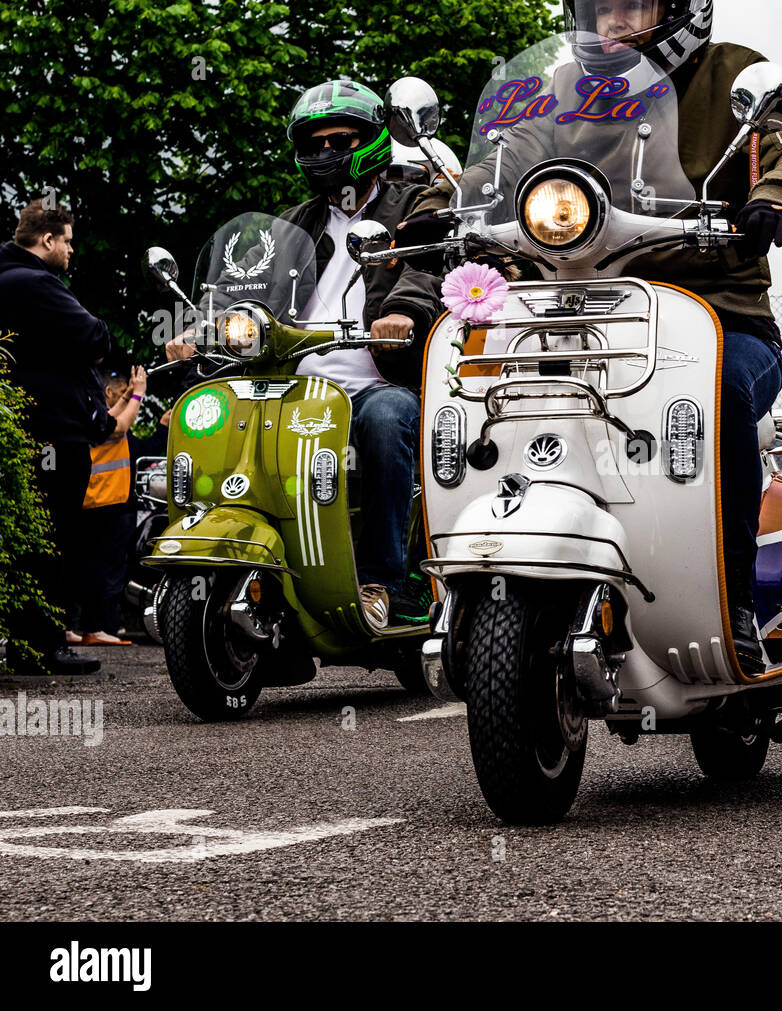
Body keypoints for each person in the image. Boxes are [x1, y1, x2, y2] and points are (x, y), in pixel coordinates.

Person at [427, 1, 782, 671]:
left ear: (681, 9)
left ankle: (731, 600)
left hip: (715, 313)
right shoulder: (563, 89)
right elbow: (504, 162)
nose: (614, 20)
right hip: (570, 313)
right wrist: (448, 206)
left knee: (722, 394)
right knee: (473, 393)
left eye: (633, 4)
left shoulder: (738, 73)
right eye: (601, 7)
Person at [166, 79, 447, 628]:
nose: (326, 154)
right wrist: (200, 329)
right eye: (314, 144)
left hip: (376, 381)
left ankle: (387, 585)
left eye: (339, 140)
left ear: (370, 140)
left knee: (390, 420)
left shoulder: (415, 201)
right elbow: (240, 288)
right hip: (295, 384)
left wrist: (405, 315)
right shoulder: (294, 223)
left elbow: (425, 266)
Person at [0, 199, 119, 674]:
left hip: (22, 429)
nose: (71, 251)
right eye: (67, 241)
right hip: (53, 432)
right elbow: (96, 338)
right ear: (47, 240)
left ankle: (31, 644)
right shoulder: (34, 282)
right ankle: (43, 647)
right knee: (54, 541)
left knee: (30, 541)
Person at [78, 366, 168, 646]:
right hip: (105, 500)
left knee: (104, 567)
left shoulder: (96, 416)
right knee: (104, 570)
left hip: (109, 500)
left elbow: (130, 440)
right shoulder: (95, 418)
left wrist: (130, 395)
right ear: (105, 392)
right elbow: (119, 427)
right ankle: (99, 626)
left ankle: (101, 626)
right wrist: (139, 395)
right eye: (118, 394)